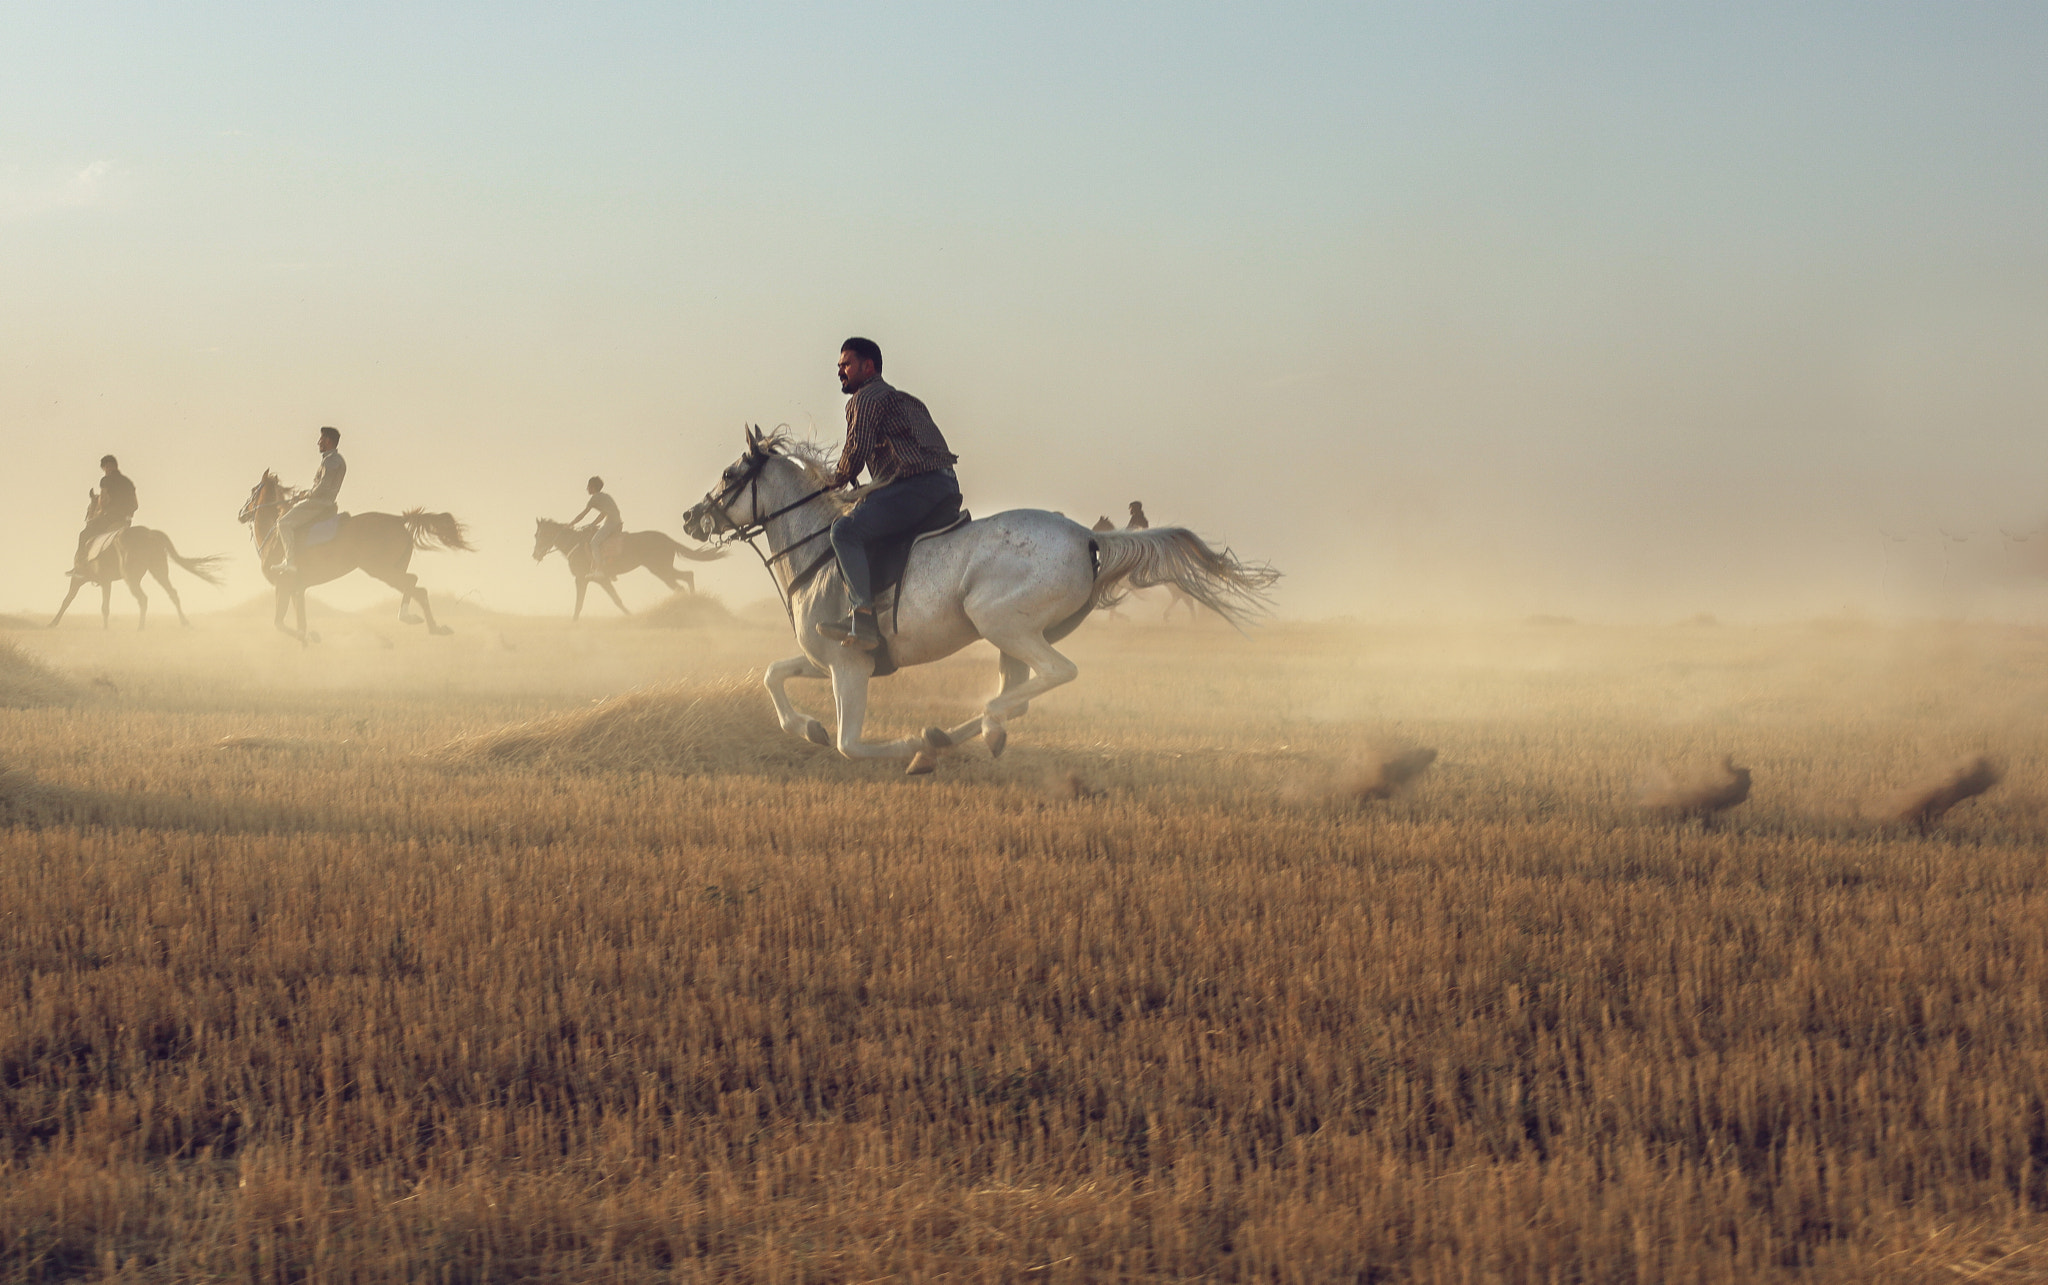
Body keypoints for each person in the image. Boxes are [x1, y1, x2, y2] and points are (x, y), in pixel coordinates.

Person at [819, 337, 961, 649]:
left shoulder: (865, 399)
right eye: (839, 366)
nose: (840, 372)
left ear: (867, 366)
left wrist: (830, 482)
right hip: (946, 486)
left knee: (844, 531)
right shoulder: (905, 399)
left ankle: (863, 618)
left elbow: (855, 454)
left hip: (916, 488)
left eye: (846, 364)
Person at [275, 426, 346, 573]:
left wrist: (305, 495)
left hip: (320, 503)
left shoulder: (331, 461)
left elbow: (322, 488)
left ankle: (290, 562)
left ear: (328, 440)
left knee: (283, 523)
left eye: (321, 439)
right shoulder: (332, 460)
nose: (318, 442)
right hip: (322, 501)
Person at [70, 455, 138, 577]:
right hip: (126, 520)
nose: (105, 471)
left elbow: (103, 501)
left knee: (84, 534)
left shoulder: (106, 480)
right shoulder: (128, 482)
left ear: (107, 466)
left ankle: (79, 565)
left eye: (105, 468)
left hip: (111, 517)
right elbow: (136, 504)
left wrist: (99, 513)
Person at [569, 476, 623, 580]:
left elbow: (583, 514)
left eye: (588, 486)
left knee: (594, 543)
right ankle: (609, 569)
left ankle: (599, 570)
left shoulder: (594, 498)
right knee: (602, 542)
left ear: (592, 487)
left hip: (611, 523)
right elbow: (603, 514)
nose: (587, 489)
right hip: (617, 522)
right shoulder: (606, 496)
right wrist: (592, 524)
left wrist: (571, 524)